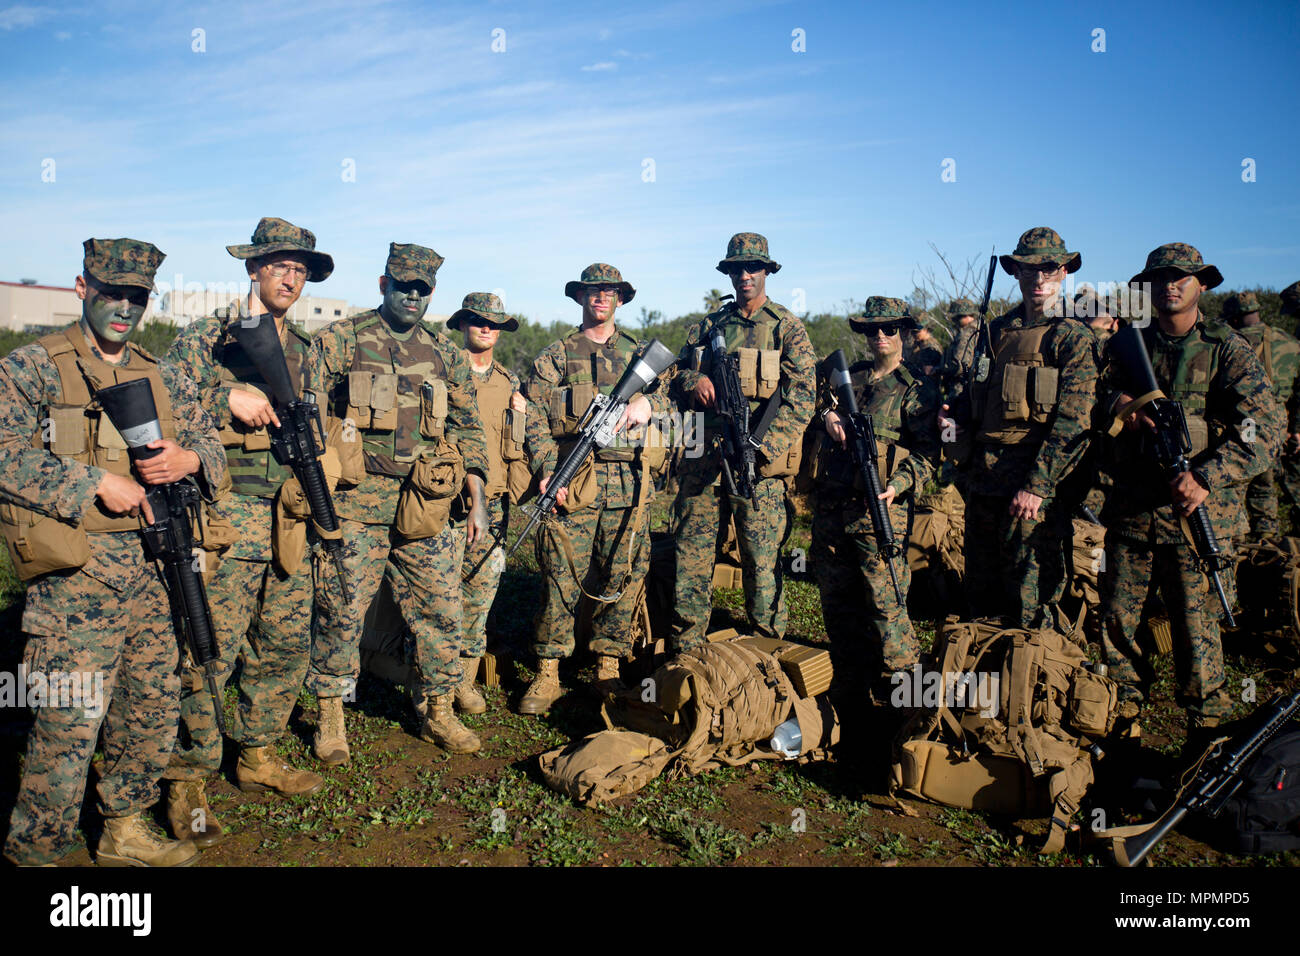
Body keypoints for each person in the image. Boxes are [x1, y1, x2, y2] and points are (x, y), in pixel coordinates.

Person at [0, 239, 225, 866]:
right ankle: (35, 852)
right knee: (68, 725)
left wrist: (194, 457)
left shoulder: (159, 371)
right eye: (112, 294)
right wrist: (95, 482)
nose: (124, 308)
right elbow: (3, 451)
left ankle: (123, 830)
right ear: (82, 288)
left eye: (138, 297)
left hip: (159, 569)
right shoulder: (34, 366)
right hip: (78, 576)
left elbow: (211, 438)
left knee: (150, 708)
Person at [162, 218, 332, 847]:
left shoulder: (309, 350)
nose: (291, 277)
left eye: (301, 269)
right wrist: (224, 390)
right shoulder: (210, 336)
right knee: (207, 650)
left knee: (284, 642)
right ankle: (187, 779)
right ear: (254, 269)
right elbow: (168, 399)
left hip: (287, 516)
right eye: (280, 265)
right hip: (224, 518)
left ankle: (257, 754)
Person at [307, 243, 490, 752]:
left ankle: (438, 709)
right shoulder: (343, 339)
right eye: (403, 285)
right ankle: (330, 717)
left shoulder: (445, 352)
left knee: (442, 609)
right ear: (384, 284)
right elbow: (304, 403)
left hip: (424, 503)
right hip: (356, 501)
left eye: (422, 289)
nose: (412, 296)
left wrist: (476, 500)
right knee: (342, 608)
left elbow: (469, 429)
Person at [1099, 244, 1281, 739]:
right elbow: (1095, 398)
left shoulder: (1226, 348)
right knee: (1118, 627)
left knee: (1196, 639)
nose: (1170, 285)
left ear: (1202, 284)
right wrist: (1121, 408)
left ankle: (1204, 743)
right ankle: (1122, 732)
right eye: (1160, 278)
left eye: (1182, 277)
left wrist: (1206, 476)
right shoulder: (1126, 346)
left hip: (1197, 520)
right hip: (1132, 516)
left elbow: (1264, 427)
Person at [517, 264, 672, 715]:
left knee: (622, 571)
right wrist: (549, 469)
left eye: (609, 293)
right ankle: (548, 670)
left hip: (629, 482)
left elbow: (675, 397)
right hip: (575, 478)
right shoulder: (554, 356)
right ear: (580, 298)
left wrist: (649, 402)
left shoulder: (639, 352)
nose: (600, 299)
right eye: (592, 292)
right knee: (559, 574)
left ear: (620, 299)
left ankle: (607, 664)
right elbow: (535, 422)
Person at [668, 234, 816, 651]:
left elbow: (804, 393)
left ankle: (769, 650)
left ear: (767, 271)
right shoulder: (708, 326)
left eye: (753, 267)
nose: (745, 275)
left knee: (761, 560)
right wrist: (692, 379)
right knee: (691, 556)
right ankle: (687, 649)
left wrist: (763, 447)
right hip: (702, 459)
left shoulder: (786, 327)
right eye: (737, 268)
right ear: (728, 274)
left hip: (757, 462)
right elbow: (672, 375)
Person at [957, 227, 1098, 627]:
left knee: (1030, 598)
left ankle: (1036, 682)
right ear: (1015, 273)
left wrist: (1037, 485)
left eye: (1049, 269)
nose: (1039, 279)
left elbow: (1074, 421)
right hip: (984, 482)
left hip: (1034, 489)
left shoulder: (1070, 336)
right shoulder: (996, 331)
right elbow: (975, 399)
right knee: (982, 593)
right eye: (1028, 269)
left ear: (1065, 272)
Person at [810, 297, 940, 708]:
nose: (879, 337)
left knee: (888, 608)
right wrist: (826, 413)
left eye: (887, 329)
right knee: (837, 604)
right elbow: (806, 387)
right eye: (871, 330)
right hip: (832, 510)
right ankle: (852, 693)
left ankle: (909, 698)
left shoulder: (915, 389)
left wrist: (898, 484)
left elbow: (929, 455)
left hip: (878, 513)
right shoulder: (847, 377)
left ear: (902, 332)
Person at [446, 293, 527, 714]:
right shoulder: (443, 373)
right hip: (443, 502)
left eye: (493, 323)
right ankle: (429, 681)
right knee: (439, 595)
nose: (485, 328)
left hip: (493, 504)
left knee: (479, 592)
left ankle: (464, 680)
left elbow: (520, 446)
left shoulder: (510, 384)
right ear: (463, 323)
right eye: (477, 320)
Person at [1218, 290, 1299, 541]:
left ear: (1232, 317)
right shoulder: (1289, 342)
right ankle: (1269, 545)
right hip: (1277, 424)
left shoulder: (1228, 342)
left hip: (1243, 423)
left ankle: (1238, 546)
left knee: (1237, 486)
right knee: (1266, 486)